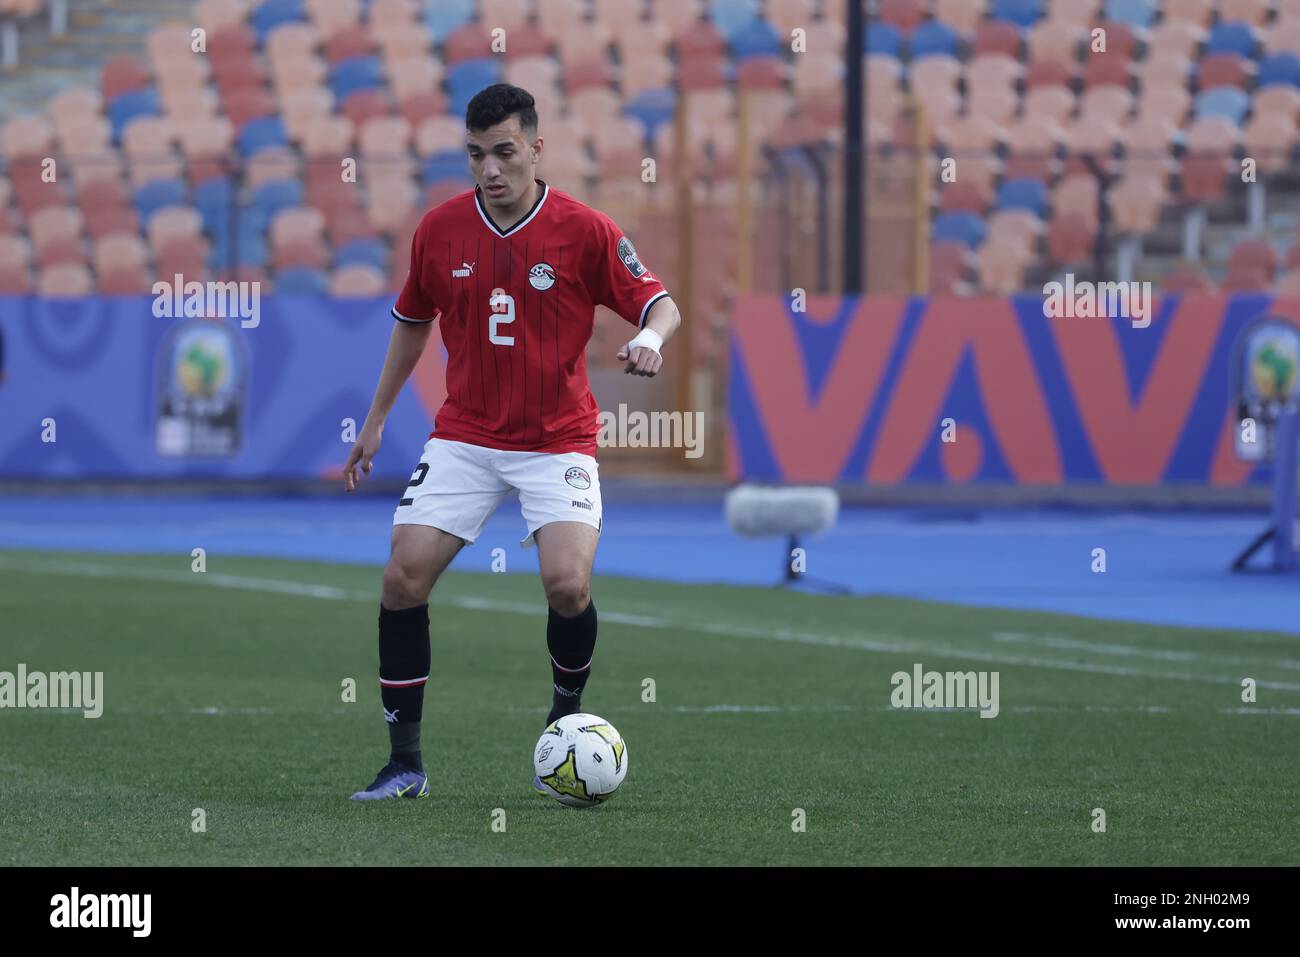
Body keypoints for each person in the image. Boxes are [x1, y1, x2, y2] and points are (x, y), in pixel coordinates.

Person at [343, 84, 682, 800]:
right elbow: (412, 319)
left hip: (557, 439)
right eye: (475, 155)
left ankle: (565, 719)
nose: (490, 170)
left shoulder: (583, 229)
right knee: (402, 577)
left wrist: (649, 337)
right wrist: (376, 418)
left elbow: (659, 302)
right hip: (466, 435)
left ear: (535, 148)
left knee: (568, 585)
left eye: (503, 152)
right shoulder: (439, 230)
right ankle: (405, 763)